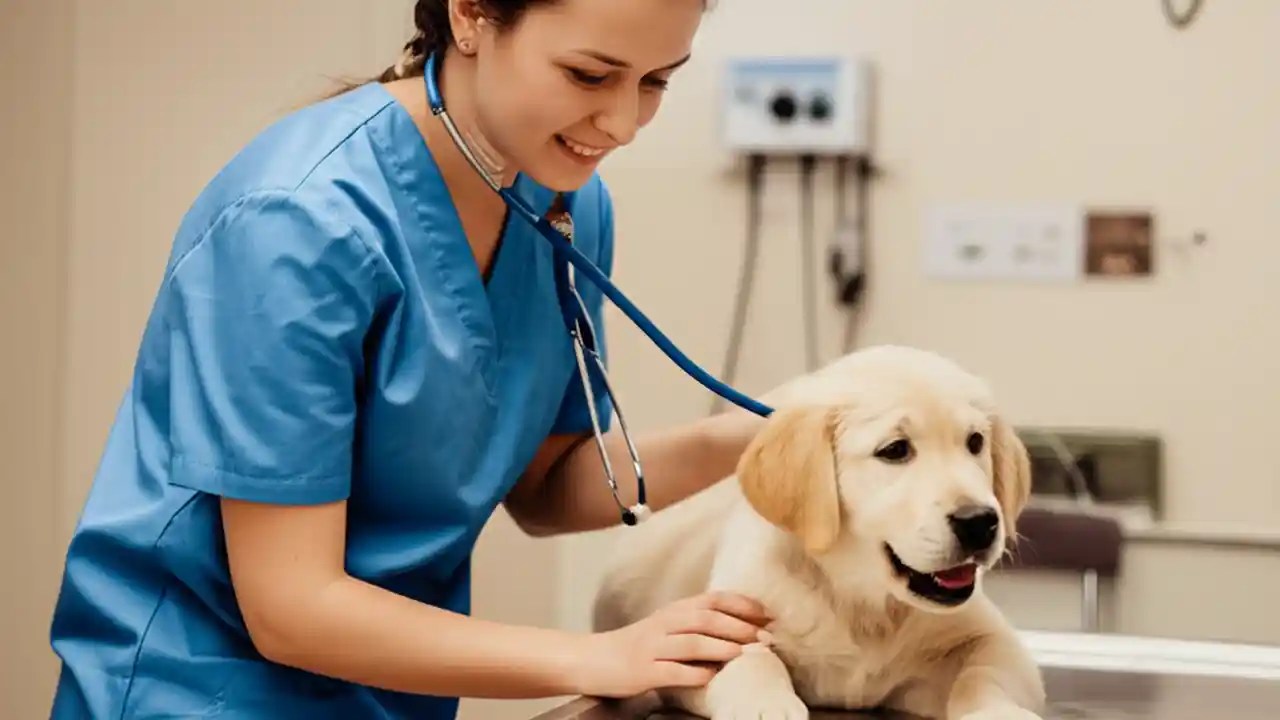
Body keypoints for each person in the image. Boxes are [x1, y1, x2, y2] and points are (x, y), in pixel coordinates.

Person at [47, 1, 775, 718]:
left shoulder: (566, 207)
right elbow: (292, 609)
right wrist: (597, 657)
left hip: (386, 699)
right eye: (589, 76)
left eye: (656, 82)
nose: (621, 123)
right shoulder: (297, 221)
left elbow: (547, 485)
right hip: (201, 694)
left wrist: (776, 438)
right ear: (469, 16)